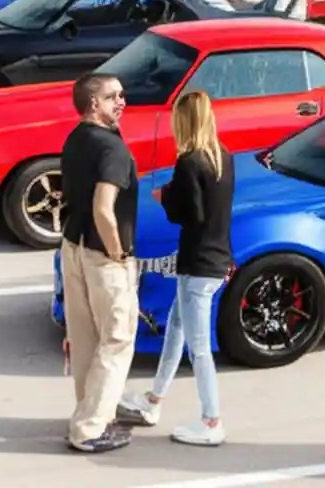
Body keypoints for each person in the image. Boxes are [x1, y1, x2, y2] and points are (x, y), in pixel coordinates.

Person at [118, 91, 235, 447]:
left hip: (198, 264)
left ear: (184, 122)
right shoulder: (223, 158)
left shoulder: (189, 162)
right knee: (176, 330)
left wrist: (165, 197)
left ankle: (212, 420)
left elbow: (190, 215)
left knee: (198, 347)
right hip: (214, 260)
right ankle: (153, 401)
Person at [59, 73, 141, 454]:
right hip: (101, 256)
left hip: (72, 248)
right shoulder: (113, 149)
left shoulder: (75, 139)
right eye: (113, 97)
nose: (122, 102)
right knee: (117, 339)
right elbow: (103, 209)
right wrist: (118, 254)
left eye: (122, 95)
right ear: (94, 103)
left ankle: (88, 413)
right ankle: (91, 428)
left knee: (86, 339)